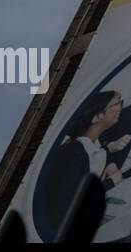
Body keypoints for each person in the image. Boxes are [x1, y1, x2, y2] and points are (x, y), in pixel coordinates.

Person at [44, 90, 125, 231]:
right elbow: (68, 201)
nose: (121, 107)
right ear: (97, 117)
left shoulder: (96, 147)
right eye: (117, 103)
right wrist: (110, 182)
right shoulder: (72, 154)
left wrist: (110, 163)